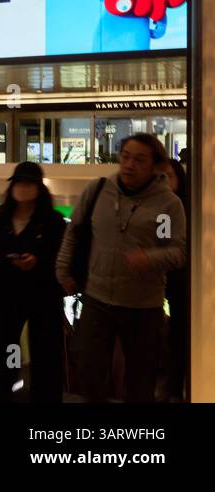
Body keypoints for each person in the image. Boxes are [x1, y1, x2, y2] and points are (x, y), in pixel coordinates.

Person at [56, 133, 186, 403]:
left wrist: (148, 258)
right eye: (125, 156)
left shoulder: (166, 205)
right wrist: (63, 269)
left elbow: (177, 252)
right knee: (89, 372)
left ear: (155, 166)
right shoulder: (98, 190)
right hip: (97, 299)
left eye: (139, 160)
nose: (129, 165)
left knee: (140, 381)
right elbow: (74, 230)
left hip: (143, 307)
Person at [0, 161, 66, 402]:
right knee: (7, 346)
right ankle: (7, 388)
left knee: (44, 350)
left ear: (38, 188)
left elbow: (63, 255)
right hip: (8, 292)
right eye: (19, 183)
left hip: (43, 294)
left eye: (28, 183)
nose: (22, 188)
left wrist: (39, 262)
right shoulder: (0, 217)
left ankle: (44, 396)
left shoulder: (52, 221)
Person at [163, 158, 189, 402]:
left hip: (182, 284)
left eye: (168, 176)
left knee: (180, 335)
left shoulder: (184, 208)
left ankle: (176, 387)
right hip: (165, 284)